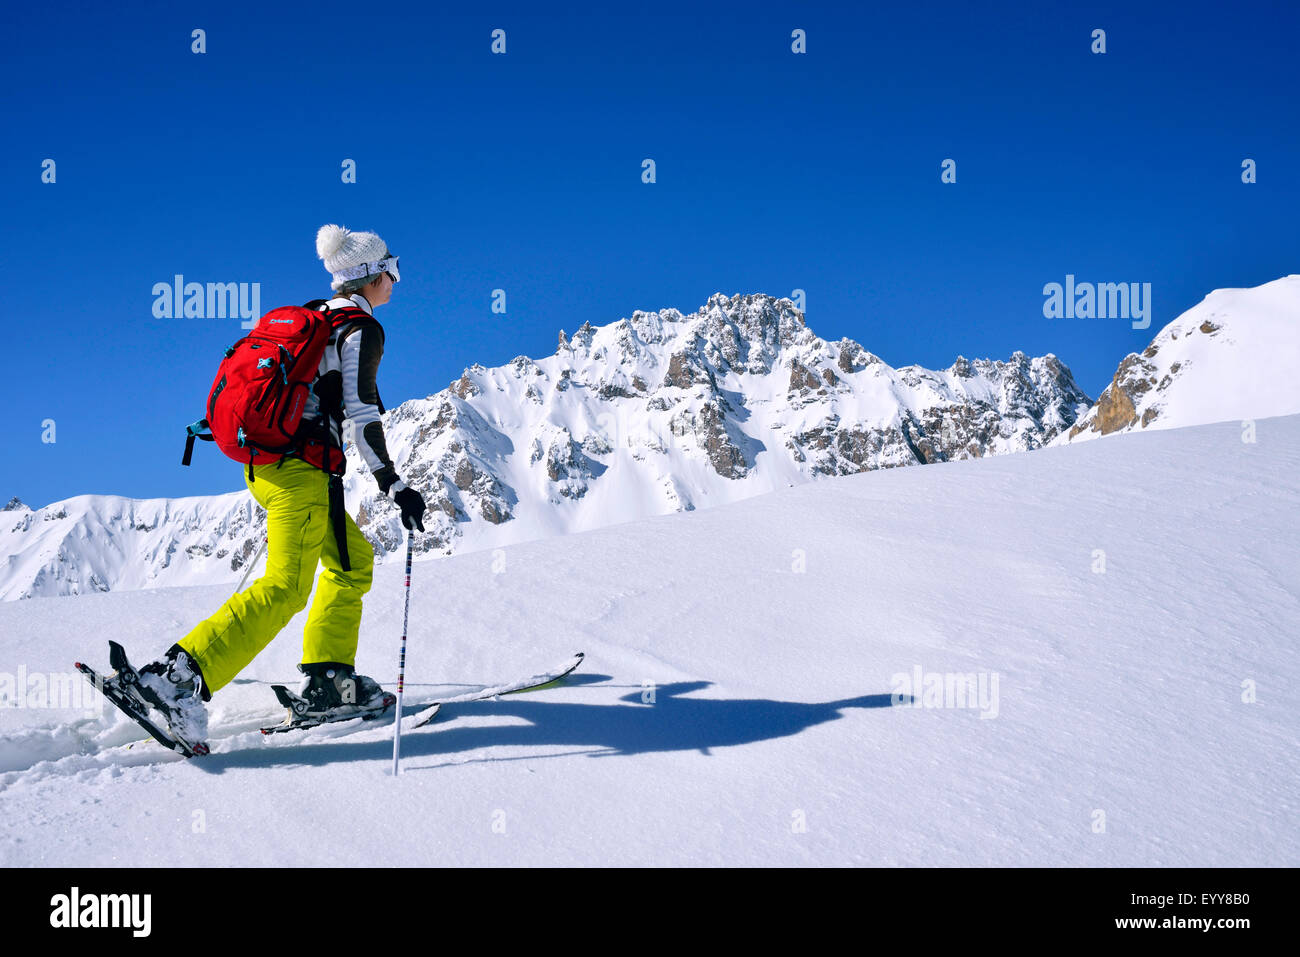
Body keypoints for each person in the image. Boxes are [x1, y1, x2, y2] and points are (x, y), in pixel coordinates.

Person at [136, 224, 428, 749]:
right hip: (300, 471)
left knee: (351, 563)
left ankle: (329, 682)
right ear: (369, 275)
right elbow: (362, 415)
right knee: (286, 586)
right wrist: (394, 484)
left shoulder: (312, 316)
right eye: (392, 269)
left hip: (265, 464)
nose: (396, 279)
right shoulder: (359, 328)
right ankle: (174, 680)